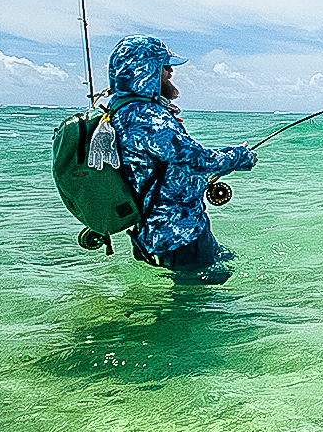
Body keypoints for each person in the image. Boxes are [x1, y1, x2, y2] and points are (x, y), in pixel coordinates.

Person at [106, 35, 256, 283]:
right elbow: (195, 158)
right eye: (164, 66)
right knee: (197, 305)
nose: (171, 72)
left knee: (222, 266)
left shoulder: (123, 110)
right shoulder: (146, 117)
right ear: (145, 70)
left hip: (162, 229)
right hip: (178, 233)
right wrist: (239, 156)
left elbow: (173, 161)